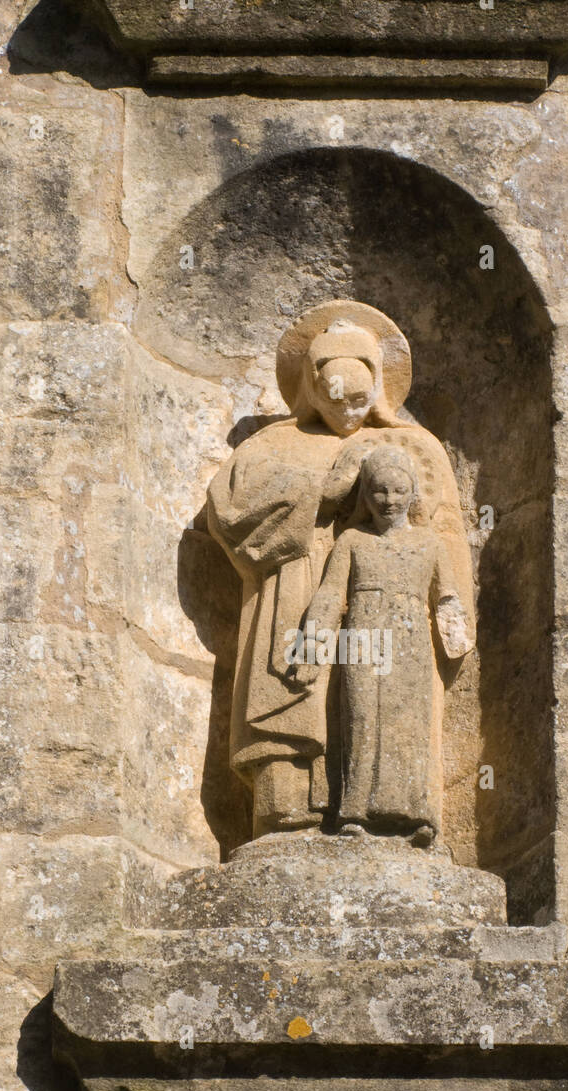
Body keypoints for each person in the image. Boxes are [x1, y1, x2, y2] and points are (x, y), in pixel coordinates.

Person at [207, 300, 473, 839]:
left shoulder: (412, 446)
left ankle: (395, 814)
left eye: (360, 400)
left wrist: (451, 607)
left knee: (388, 709)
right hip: (294, 592)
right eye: (335, 398)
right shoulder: (273, 445)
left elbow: (444, 535)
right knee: (293, 694)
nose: (349, 413)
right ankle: (287, 816)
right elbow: (230, 513)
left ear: (378, 388)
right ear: (309, 384)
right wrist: (321, 492)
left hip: (388, 615)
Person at [296, 446, 474, 845]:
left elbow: (446, 596)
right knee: (361, 719)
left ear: (413, 493)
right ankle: (354, 811)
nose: (389, 501)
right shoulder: (353, 541)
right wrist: (311, 644)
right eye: (379, 491)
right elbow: (329, 596)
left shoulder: (429, 543)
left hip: (411, 641)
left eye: (398, 491)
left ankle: (417, 816)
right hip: (362, 638)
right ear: (365, 495)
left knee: (410, 724)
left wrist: (456, 637)